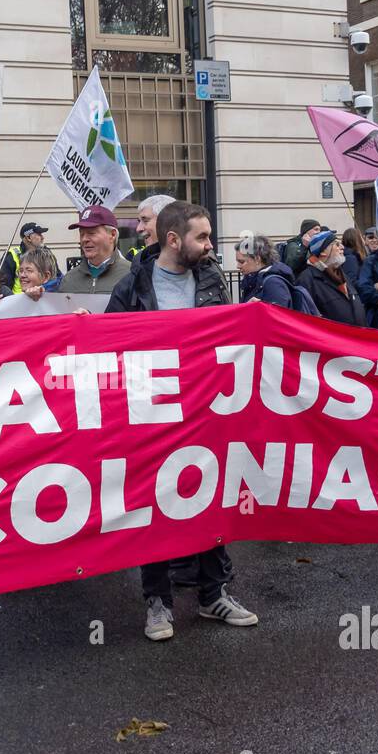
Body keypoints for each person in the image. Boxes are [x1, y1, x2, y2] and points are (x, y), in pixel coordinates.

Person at [106, 200, 258, 641]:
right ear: (173, 240)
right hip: (152, 415)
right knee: (155, 505)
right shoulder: (134, 284)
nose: (211, 245)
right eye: (202, 237)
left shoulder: (211, 278)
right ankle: (158, 602)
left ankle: (213, 594)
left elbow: (230, 340)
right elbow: (110, 341)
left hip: (207, 411)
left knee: (209, 497)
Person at [58, 204, 132, 293]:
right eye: (82, 234)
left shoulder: (131, 274)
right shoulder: (69, 279)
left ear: (112, 235)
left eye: (91, 233)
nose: (84, 239)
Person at [297, 230, 366, 326]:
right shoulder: (307, 280)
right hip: (332, 339)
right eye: (337, 245)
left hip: (356, 338)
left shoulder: (342, 275)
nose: (342, 247)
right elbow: (305, 322)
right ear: (323, 252)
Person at [237, 233, 300, 308]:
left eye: (241, 262)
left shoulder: (273, 283)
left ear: (257, 259)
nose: (238, 266)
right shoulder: (253, 280)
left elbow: (278, 316)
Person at [0, 221, 47, 295]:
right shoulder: (11, 255)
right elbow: (3, 286)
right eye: (39, 234)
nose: (43, 238)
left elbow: (57, 278)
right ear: (28, 238)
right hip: (18, 303)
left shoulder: (47, 254)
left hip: (43, 301)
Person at [130, 194, 175, 260]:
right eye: (139, 221)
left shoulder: (192, 261)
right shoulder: (138, 261)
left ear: (167, 220)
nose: (138, 229)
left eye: (145, 220)